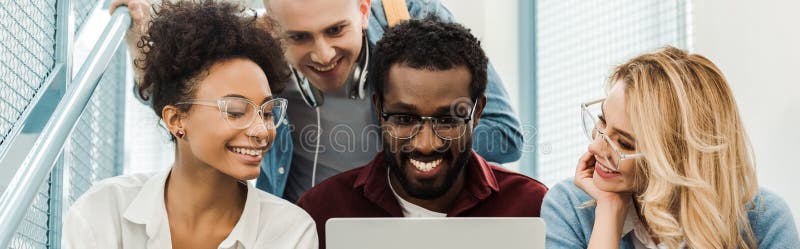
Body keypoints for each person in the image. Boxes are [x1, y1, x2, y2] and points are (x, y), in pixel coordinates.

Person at [111, 0, 524, 202]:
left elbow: (506, 137)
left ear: (363, 10)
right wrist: (138, 40)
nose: (323, 55)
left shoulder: (413, 17)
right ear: (273, 27)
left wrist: (407, 125)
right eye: (299, 38)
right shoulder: (252, 49)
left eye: (336, 30)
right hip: (302, 231)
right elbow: (184, 110)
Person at [62, 1, 317, 248]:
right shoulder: (103, 212)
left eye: (268, 112)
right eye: (236, 112)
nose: (262, 130)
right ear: (175, 119)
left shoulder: (290, 232)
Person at [295, 16, 548, 249]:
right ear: (379, 108)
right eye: (404, 118)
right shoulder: (321, 211)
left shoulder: (532, 206)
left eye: (448, 120)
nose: (426, 144)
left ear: (477, 112)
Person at [541, 47, 800, 248]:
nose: (596, 147)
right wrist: (609, 210)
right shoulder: (570, 207)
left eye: (624, 143)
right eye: (601, 122)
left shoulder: (763, 220)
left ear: (680, 159)